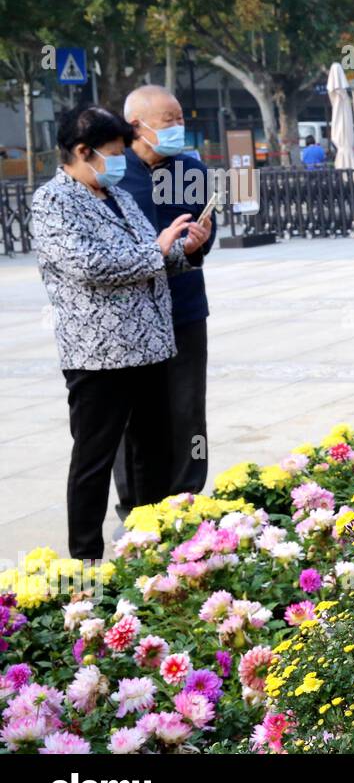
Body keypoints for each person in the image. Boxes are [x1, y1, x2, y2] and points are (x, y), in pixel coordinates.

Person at [30, 105, 210, 560]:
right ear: (82, 152)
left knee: (153, 450)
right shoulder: (53, 201)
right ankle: (86, 558)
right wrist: (157, 248)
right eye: (110, 154)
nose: (117, 163)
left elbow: (147, 258)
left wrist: (186, 249)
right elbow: (91, 266)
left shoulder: (117, 195)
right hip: (100, 355)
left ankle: (146, 541)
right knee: (95, 457)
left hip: (150, 347)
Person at [116, 84, 217, 510]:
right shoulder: (114, 173)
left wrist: (199, 243)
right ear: (136, 125)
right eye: (169, 120)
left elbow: (199, 243)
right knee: (131, 415)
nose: (179, 126)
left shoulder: (190, 169)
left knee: (187, 406)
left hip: (184, 306)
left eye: (181, 118)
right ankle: (135, 505)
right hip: (130, 315)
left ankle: (187, 497)